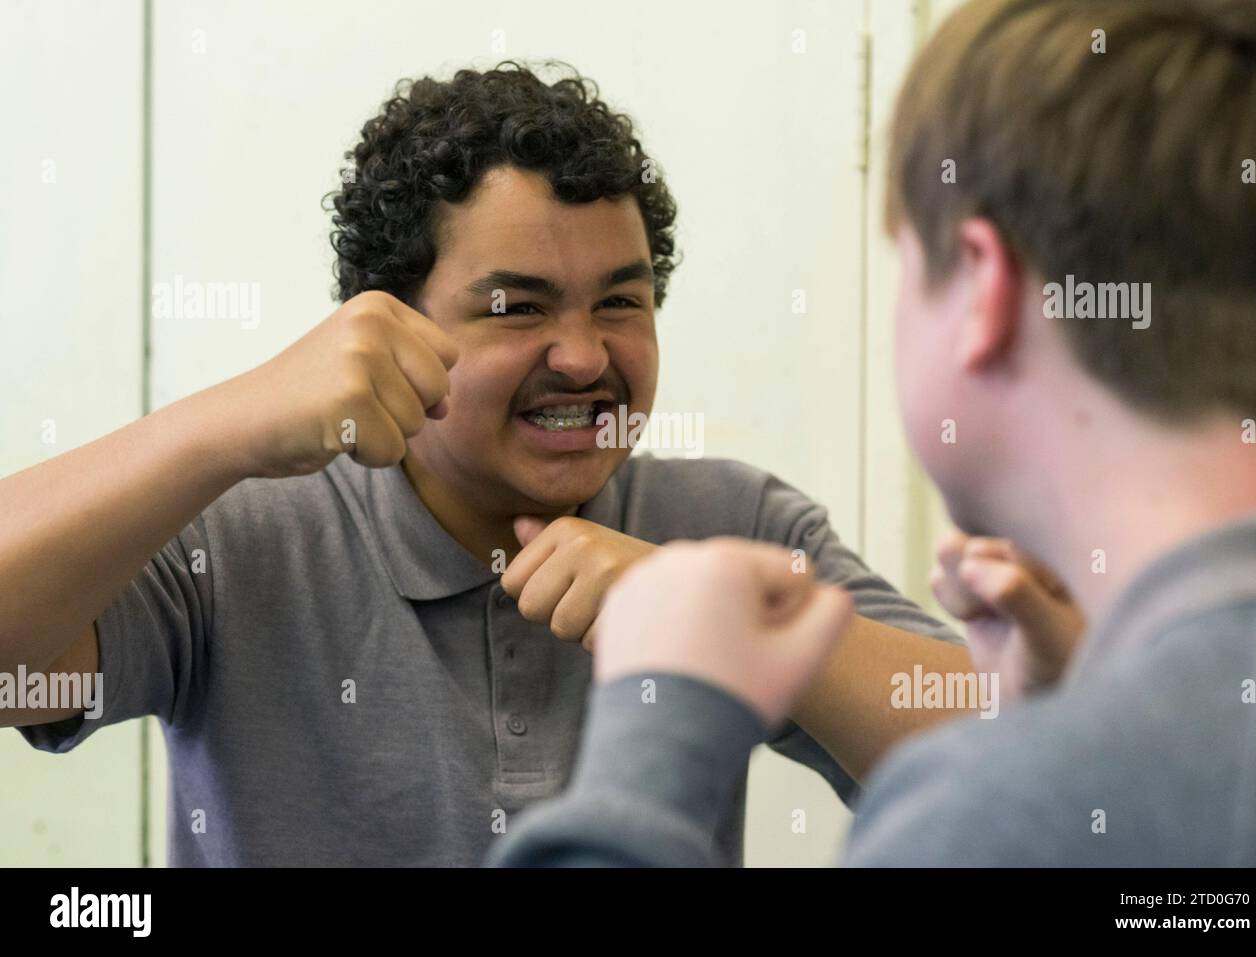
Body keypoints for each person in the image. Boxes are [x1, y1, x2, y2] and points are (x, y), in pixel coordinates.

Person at [1, 63, 1060, 865]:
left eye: (621, 301)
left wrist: (705, 612)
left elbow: (1028, 769)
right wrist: (221, 427)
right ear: (381, 326)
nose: (586, 357)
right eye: (517, 308)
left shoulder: (732, 523)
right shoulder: (241, 537)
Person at [490, 0, 1256, 867]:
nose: (579, 356)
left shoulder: (991, 815)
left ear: (982, 288)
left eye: (904, 257)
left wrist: (649, 756)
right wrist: (1055, 713)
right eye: (517, 306)